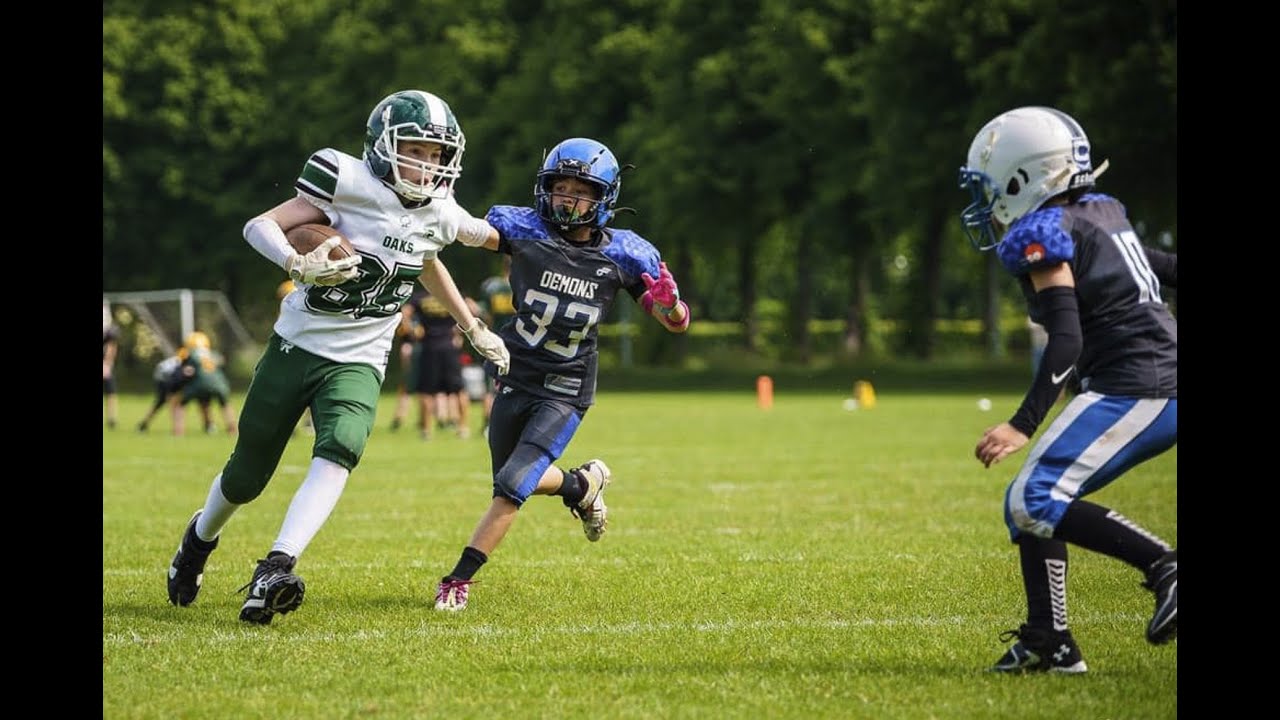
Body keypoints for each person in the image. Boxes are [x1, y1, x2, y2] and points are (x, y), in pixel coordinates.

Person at [165, 89, 510, 624]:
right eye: (416, 150)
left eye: (437, 155)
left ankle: (276, 565)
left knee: (341, 447)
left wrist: (473, 325)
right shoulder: (344, 178)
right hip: (296, 345)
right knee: (247, 476)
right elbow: (259, 225)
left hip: (362, 357)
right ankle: (199, 538)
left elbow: (430, 258)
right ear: (383, 146)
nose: (428, 165)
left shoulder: (439, 210)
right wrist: (294, 262)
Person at [958, 106, 1177, 673]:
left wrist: (1021, 422)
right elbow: (1160, 267)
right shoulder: (1101, 213)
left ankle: (1166, 567)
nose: (985, 202)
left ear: (1021, 177)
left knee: (1031, 498)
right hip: (1147, 383)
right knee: (1039, 499)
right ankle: (1047, 641)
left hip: (1138, 387)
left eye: (988, 186)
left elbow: (1065, 342)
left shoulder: (1045, 231)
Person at [433, 137, 691, 612]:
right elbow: (471, 232)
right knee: (514, 477)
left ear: (603, 197)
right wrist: (436, 212)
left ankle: (458, 579)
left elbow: (675, 322)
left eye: (581, 191)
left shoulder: (626, 254)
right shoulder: (524, 230)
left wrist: (672, 303)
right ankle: (582, 485)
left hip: (567, 387)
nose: (568, 200)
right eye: (560, 188)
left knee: (512, 486)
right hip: (514, 373)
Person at [172, 331, 238, 436]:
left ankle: (178, 432)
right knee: (224, 404)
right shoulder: (212, 353)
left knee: (180, 405)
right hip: (219, 384)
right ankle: (232, 429)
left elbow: (186, 370)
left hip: (199, 383)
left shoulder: (189, 354)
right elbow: (221, 362)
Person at [478, 255, 516, 436]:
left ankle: (488, 424)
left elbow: (486, 316)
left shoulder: (492, 287)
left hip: (496, 341)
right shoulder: (524, 287)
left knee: (490, 386)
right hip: (520, 343)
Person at [136, 352, 188, 433]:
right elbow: (175, 380)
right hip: (165, 380)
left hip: (163, 378)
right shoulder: (181, 365)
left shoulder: (178, 361)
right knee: (174, 404)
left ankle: (144, 424)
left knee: (162, 403)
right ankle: (177, 430)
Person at [103, 298, 120, 430]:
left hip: (104, 365)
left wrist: (107, 365)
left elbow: (111, 348)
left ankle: (111, 418)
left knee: (111, 390)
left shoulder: (110, 331)